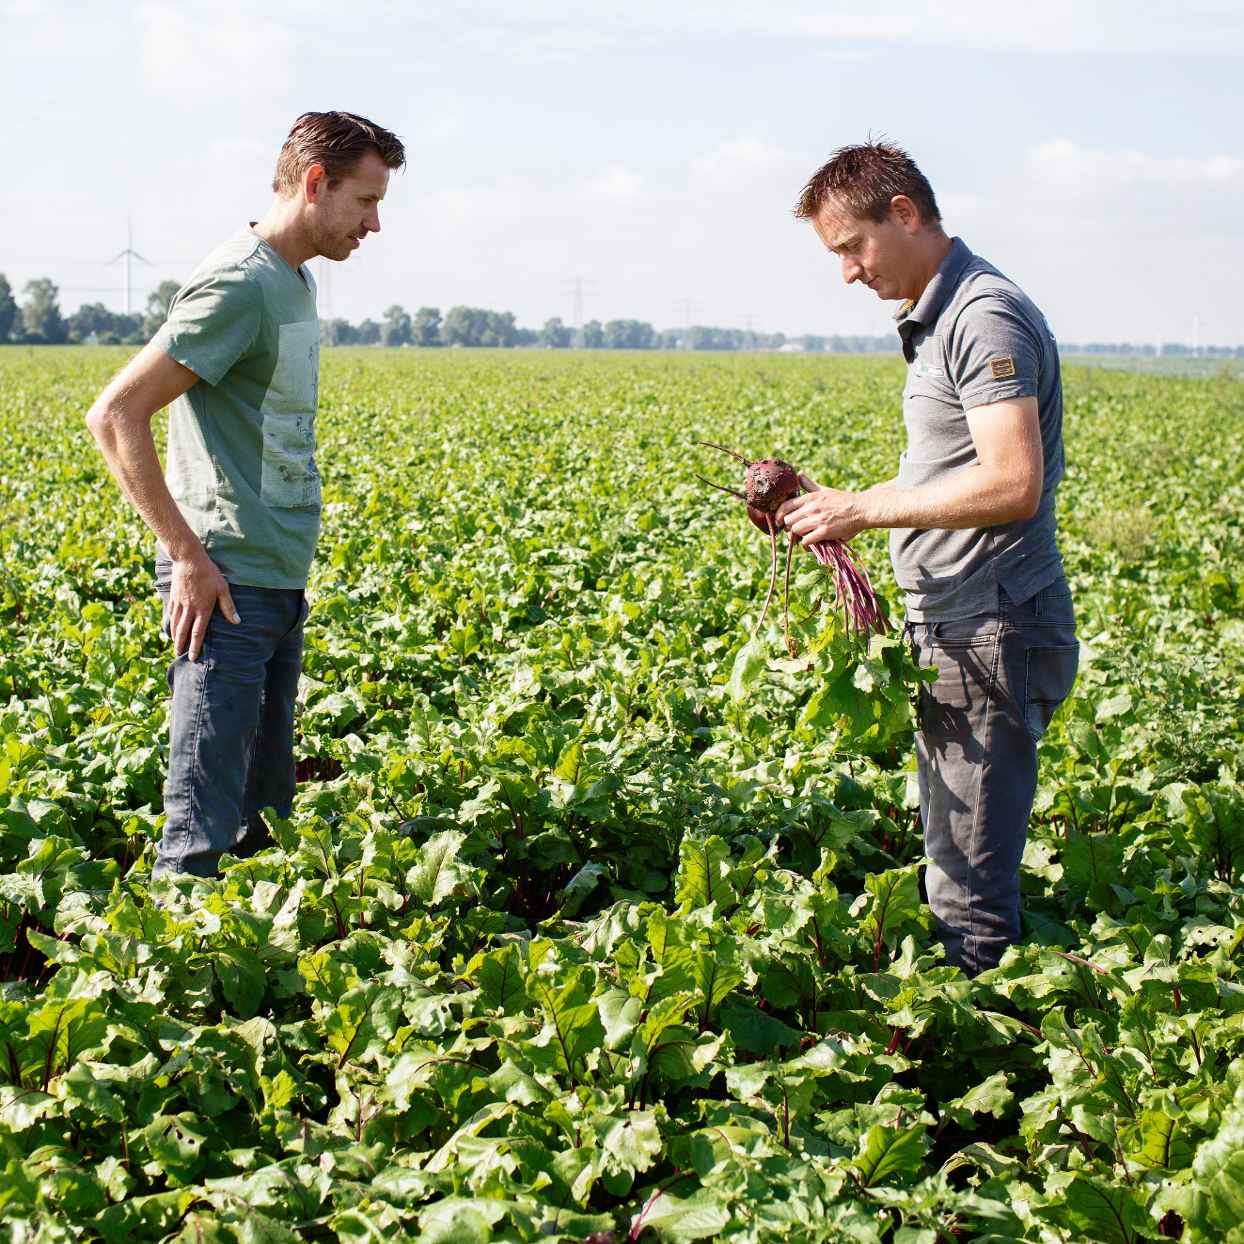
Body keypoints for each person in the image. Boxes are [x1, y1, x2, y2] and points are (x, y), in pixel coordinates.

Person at [777, 141, 1078, 976]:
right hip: (961, 626)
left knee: (968, 894)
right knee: (954, 861)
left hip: (991, 630)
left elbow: (1013, 481)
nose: (846, 272)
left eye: (851, 247)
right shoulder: (943, 317)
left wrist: (865, 509)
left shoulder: (982, 316)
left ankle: (974, 1078)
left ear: (903, 214)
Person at [85, 111, 406, 880]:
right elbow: (116, 413)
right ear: (316, 183)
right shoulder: (239, 283)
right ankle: (174, 980)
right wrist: (187, 558)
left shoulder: (292, 279)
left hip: (274, 577)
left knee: (265, 821)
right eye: (365, 201)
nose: (376, 224)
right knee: (200, 829)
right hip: (224, 583)